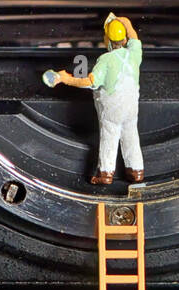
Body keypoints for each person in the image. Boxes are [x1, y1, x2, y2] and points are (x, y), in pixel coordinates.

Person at [50, 14, 144, 185]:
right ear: (124, 38)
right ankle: (136, 171)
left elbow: (90, 82)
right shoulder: (134, 54)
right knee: (131, 136)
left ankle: (105, 174)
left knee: (109, 137)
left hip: (112, 109)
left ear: (107, 39)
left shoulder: (106, 59)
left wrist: (65, 79)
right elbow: (135, 38)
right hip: (131, 107)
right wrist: (126, 22)